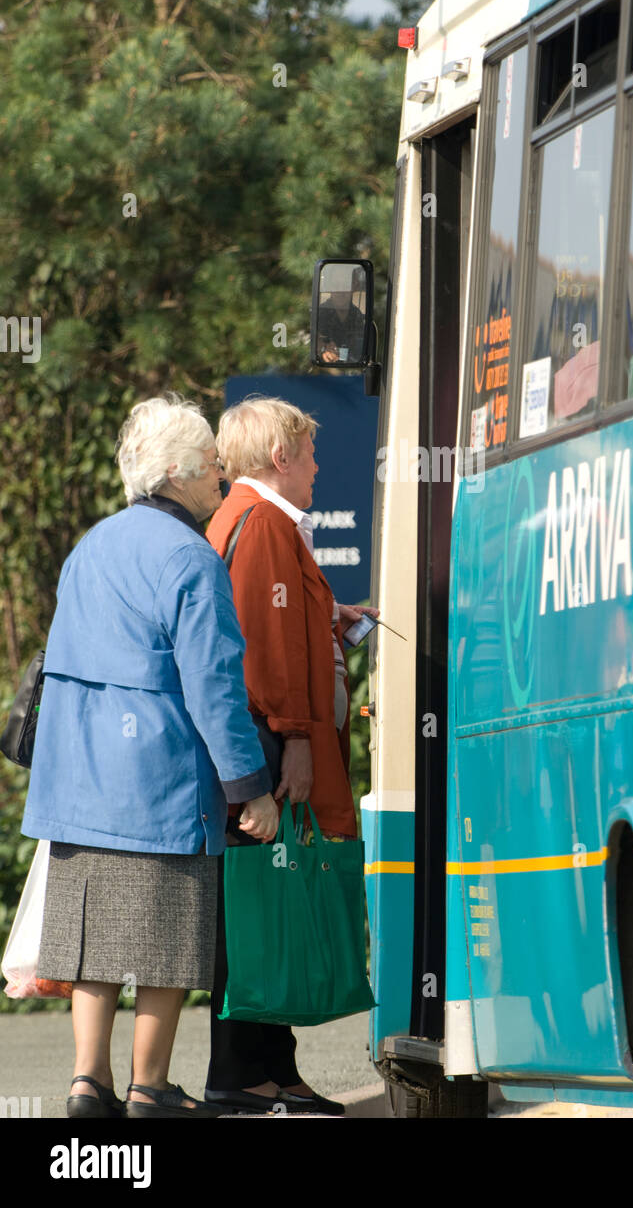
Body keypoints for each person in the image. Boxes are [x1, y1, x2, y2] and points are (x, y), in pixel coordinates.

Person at [21, 394, 279, 1119]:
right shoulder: (190, 558)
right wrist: (248, 787)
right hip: (157, 784)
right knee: (169, 940)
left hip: (75, 783)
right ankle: (149, 1087)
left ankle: (85, 1084)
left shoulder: (90, 545)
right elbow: (214, 683)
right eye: (210, 469)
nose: (220, 481)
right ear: (175, 473)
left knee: (88, 947)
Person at [204, 396, 373, 1116]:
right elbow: (264, 648)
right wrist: (298, 741)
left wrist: (330, 617)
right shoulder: (266, 522)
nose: (315, 468)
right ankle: (241, 1075)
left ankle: (274, 1068)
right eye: (307, 455)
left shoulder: (253, 519)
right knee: (260, 906)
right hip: (272, 740)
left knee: (268, 900)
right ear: (280, 457)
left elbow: (280, 624)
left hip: (271, 733)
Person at [317, 265, 368, 362]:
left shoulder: (358, 316)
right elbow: (308, 340)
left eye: (345, 284)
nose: (340, 290)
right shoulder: (317, 315)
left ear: (355, 286)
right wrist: (323, 349)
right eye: (336, 285)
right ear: (329, 286)